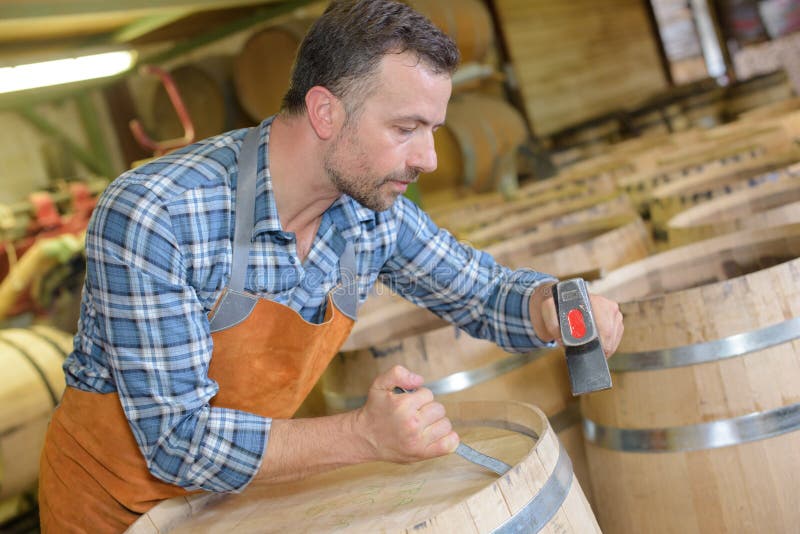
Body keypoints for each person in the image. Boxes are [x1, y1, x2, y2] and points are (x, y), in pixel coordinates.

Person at [38, 0, 624, 531]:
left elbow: (483, 292)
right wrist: (362, 435)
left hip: (240, 506)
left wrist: (551, 306)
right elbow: (176, 438)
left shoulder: (372, 212)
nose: (428, 158)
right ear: (325, 112)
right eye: (405, 129)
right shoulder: (156, 214)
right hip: (114, 511)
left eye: (434, 130)